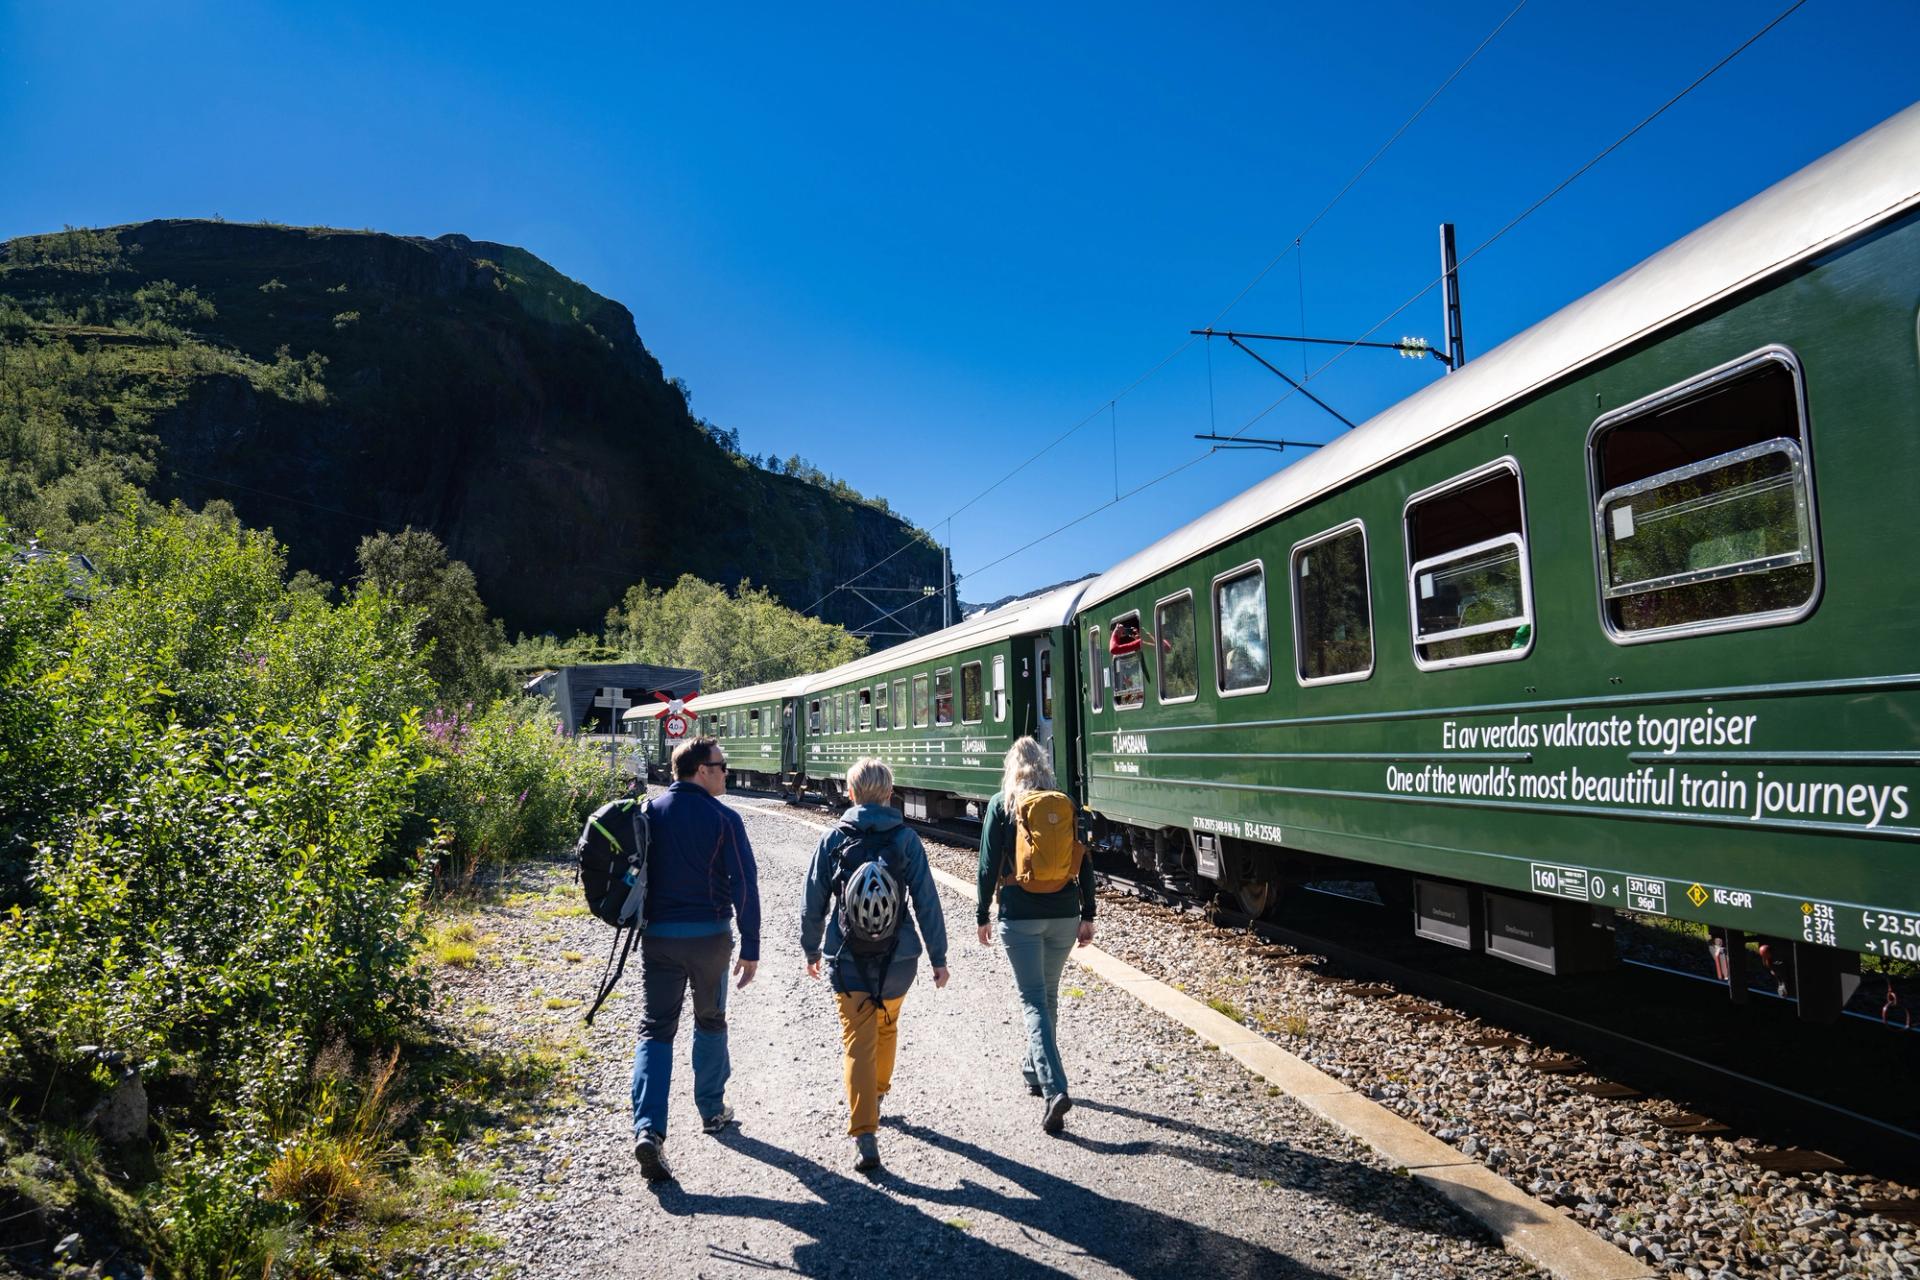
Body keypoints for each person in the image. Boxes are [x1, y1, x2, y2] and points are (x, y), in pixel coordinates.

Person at [800, 757, 949, 1173]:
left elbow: (813, 902)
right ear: (889, 794)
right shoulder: (906, 839)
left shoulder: (834, 837)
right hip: (899, 959)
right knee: (886, 1025)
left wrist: (811, 948)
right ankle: (879, 1092)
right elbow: (926, 902)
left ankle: (865, 1133)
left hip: (847, 959)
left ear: (850, 793)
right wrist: (939, 957)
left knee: (857, 1042)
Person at [630, 737, 761, 1183]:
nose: (727, 773)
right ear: (700, 770)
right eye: (722, 766)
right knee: (710, 1020)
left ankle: (648, 1129)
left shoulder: (649, 813)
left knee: (656, 1030)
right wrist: (752, 947)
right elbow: (745, 884)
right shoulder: (724, 818)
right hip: (709, 938)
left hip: (660, 938)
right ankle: (711, 1110)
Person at [976, 736, 1096, 1134]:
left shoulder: (1002, 804)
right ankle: (1033, 1069)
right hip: (1064, 913)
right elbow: (1084, 860)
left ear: (1012, 768)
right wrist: (1089, 914)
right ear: (1044, 765)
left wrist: (982, 913)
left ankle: (1053, 1088)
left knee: (1032, 1002)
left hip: (1021, 915)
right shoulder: (1064, 803)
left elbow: (988, 865)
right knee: (1047, 996)